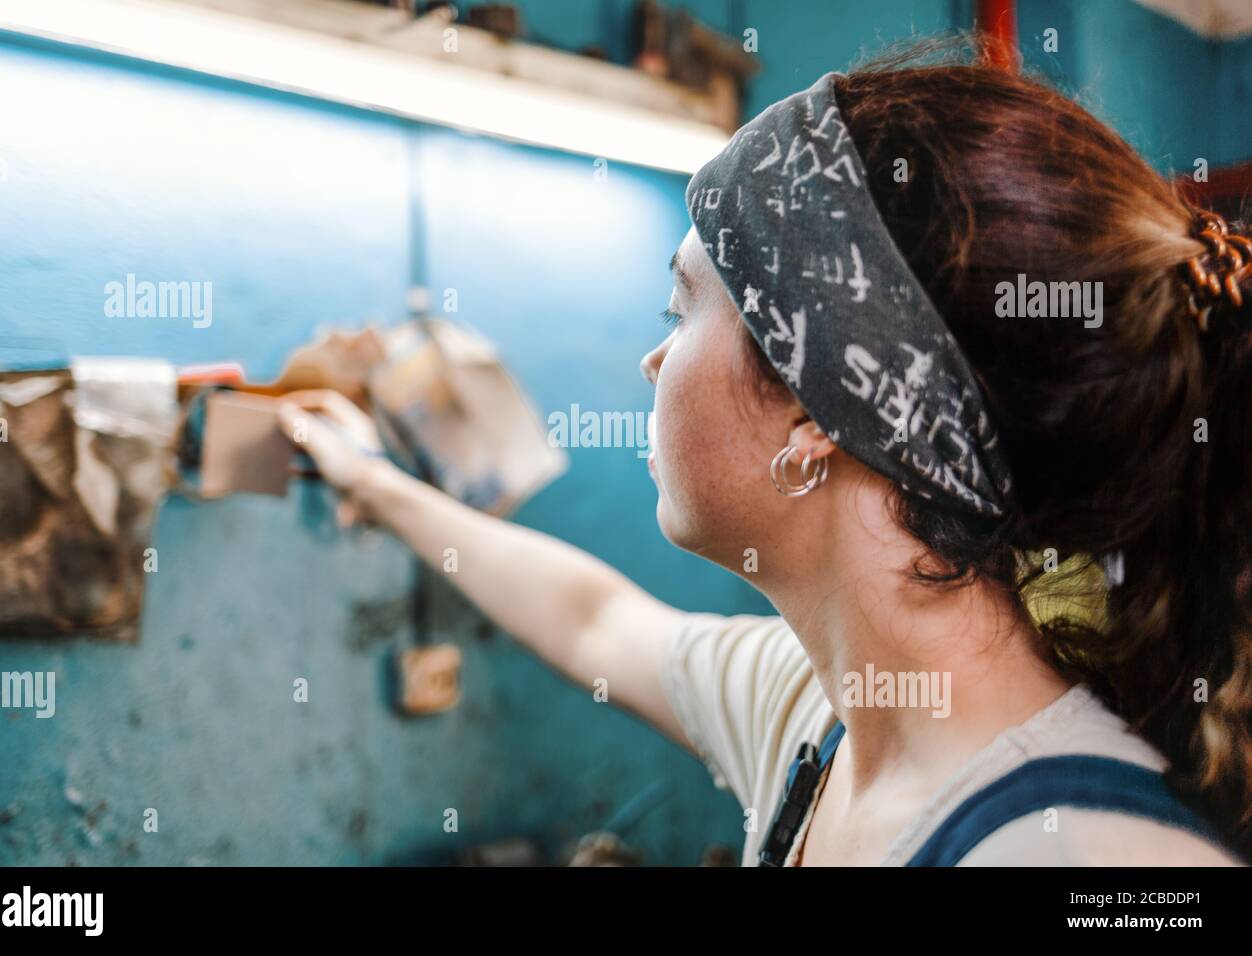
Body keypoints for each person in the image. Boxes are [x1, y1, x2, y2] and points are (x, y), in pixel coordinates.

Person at [277, 49, 1249, 866]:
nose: (651, 360)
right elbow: (593, 619)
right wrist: (372, 478)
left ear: (816, 409)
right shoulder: (822, 717)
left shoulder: (1085, 857)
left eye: (681, 308)